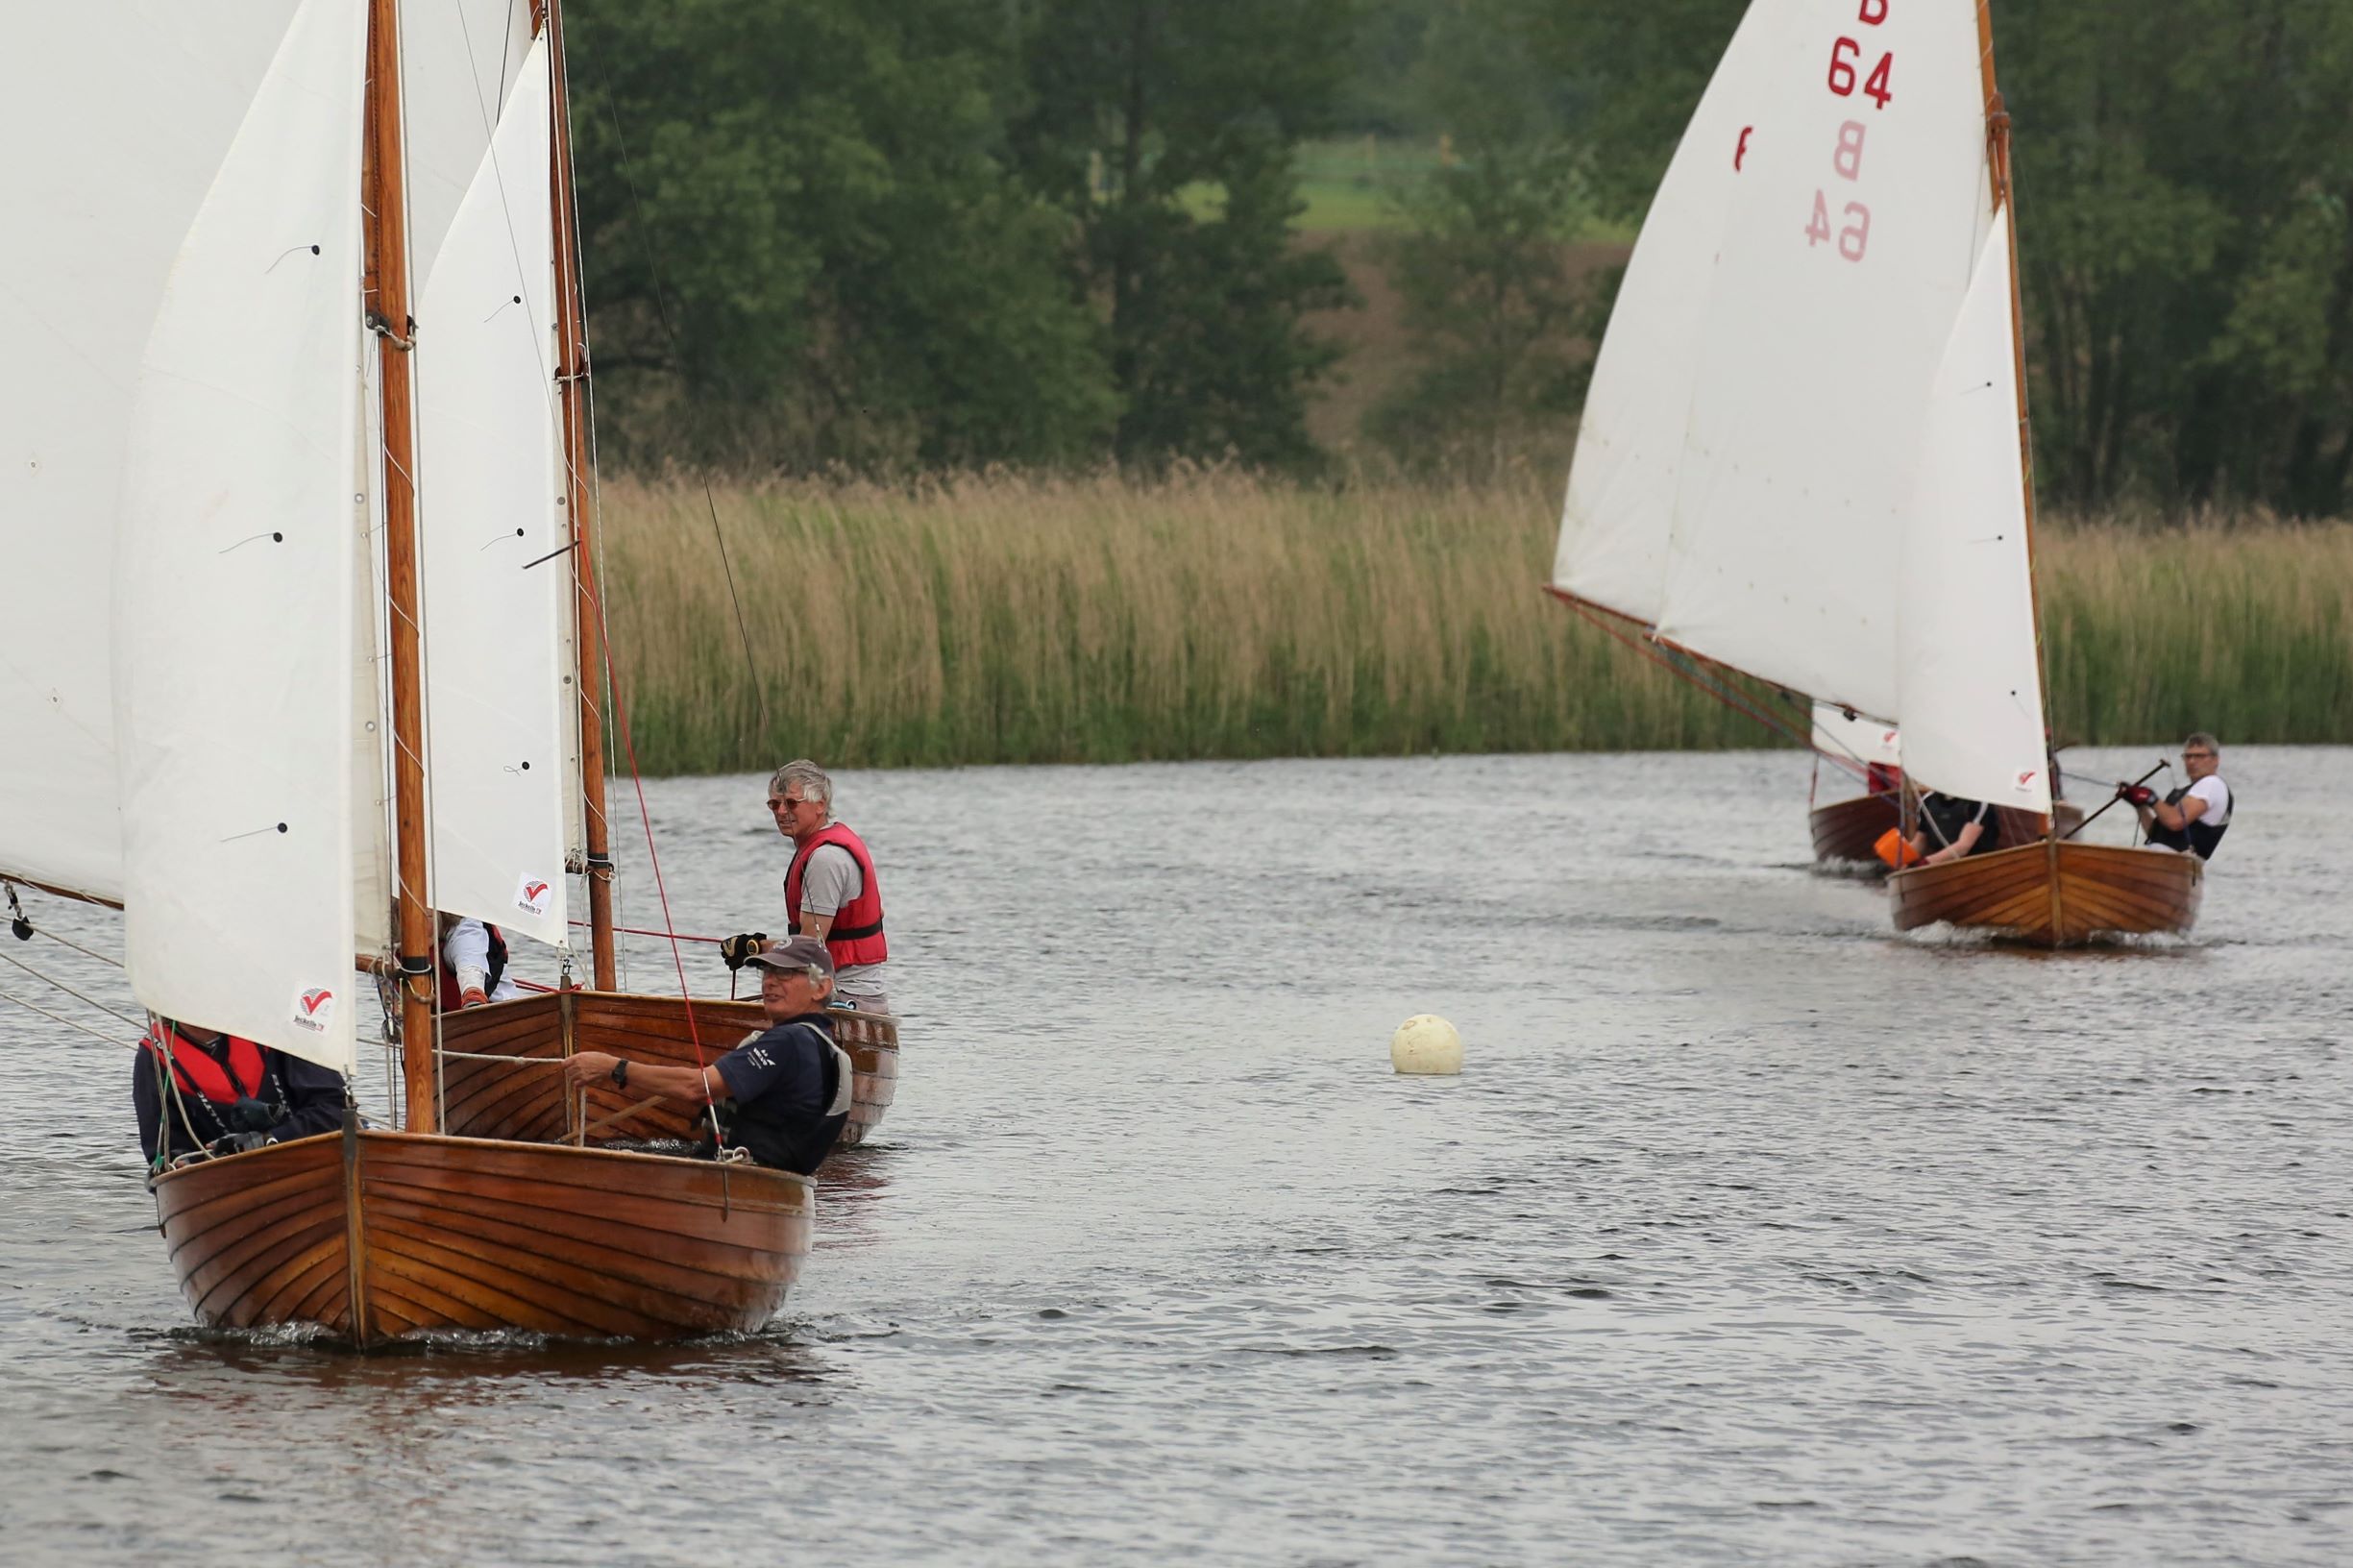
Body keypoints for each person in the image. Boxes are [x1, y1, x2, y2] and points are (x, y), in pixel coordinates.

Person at [563, 937, 852, 1176]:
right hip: (776, 1188)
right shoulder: (823, 1045)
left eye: (785, 973)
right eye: (766, 973)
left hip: (742, 1183)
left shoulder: (789, 1041)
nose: (770, 982)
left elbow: (697, 1087)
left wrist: (614, 1067)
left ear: (822, 987)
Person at [721, 759, 891, 1014]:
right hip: (844, 992)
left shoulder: (825, 858)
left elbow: (809, 948)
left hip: (846, 1000)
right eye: (774, 804)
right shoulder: (826, 846)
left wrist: (755, 947)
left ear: (820, 804)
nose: (780, 812)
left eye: (791, 803)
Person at [134, 1017, 347, 1172]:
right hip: (231, 1182)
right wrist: (177, 1165)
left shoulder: (279, 1027)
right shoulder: (155, 1057)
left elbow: (336, 1110)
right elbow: (165, 1151)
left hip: (318, 1161)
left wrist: (271, 1140)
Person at [2121, 732, 2233, 859]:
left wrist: (2151, 798)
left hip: (2178, 866)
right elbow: (2155, 834)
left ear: (2215, 760)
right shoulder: (2188, 792)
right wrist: (2139, 804)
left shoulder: (2212, 784)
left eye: (2199, 756)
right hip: (2158, 862)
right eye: (2188, 756)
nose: (2192, 761)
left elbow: (2176, 821)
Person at [438, 913, 521, 1009]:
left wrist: (473, 994)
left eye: (429, 916)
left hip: (496, 1009)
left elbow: (469, 962)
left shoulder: (465, 930)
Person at [1906, 791, 2002, 867]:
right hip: (1938, 865)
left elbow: (1963, 846)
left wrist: (1926, 862)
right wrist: (1903, 857)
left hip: (1975, 865)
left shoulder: (1978, 801)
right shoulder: (1928, 800)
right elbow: (1920, 841)